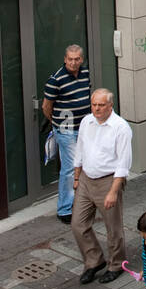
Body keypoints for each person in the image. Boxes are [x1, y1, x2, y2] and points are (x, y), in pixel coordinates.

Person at [71, 89, 132, 284]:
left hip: (108, 180)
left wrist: (114, 191)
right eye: (94, 105)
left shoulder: (120, 127)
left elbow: (123, 163)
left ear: (110, 106)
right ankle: (94, 260)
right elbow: (80, 150)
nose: (96, 109)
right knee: (78, 224)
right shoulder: (86, 122)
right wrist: (77, 178)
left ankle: (116, 264)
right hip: (86, 180)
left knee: (113, 229)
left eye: (101, 105)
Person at [42, 43, 91, 223]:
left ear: (81, 60)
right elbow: (46, 107)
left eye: (76, 59)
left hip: (84, 128)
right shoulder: (56, 79)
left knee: (84, 166)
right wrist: (56, 123)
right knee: (70, 169)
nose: (73, 62)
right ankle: (64, 209)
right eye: (70, 59)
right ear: (65, 59)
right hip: (66, 130)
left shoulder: (85, 73)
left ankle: (81, 203)